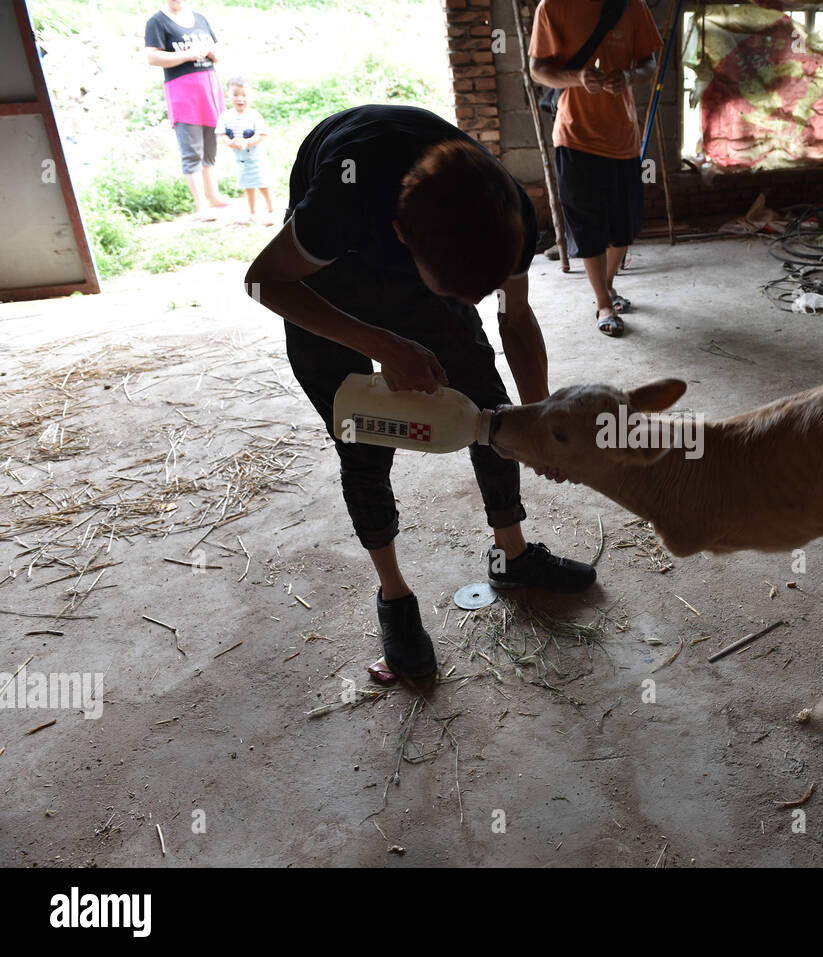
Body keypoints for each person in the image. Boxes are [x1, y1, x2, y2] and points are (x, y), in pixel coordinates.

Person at [244, 105, 596, 682]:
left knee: (491, 411)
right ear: (403, 237)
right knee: (361, 438)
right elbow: (263, 280)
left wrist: (539, 420)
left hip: (430, 250)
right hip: (319, 286)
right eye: (463, 296)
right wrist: (380, 342)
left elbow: (515, 315)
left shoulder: (505, 212)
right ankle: (396, 599)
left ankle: (513, 555)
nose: (476, 305)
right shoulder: (342, 200)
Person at [529, 0, 662, 337]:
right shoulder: (553, 8)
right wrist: (576, 77)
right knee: (588, 224)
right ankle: (603, 302)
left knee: (623, 225)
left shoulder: (632, 6)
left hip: (623, 138)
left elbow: (649, 62)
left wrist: (630, 76)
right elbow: (538, 68)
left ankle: (608, 285)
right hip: (575, 136)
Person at [144, 0, 228, 221]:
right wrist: (188, 55)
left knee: (210, 147)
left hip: (209, 87)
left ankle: (214, 196)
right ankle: (201, 206)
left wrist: (210, 51)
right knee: (192, 150)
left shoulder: (200, 18)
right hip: (183, 91)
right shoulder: (157, 21)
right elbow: (152, 56)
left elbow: (218, 53)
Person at [218, 77, 274, 224]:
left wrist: (247, 143)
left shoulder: (254, 115)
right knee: (248, 185)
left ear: (250, 96)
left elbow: (262, 134)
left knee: (263, 183)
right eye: (235, 95)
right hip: (240, 160)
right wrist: (231, 143)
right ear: (227, 95)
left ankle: (271, 210)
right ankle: (252, 213)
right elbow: (222, 134)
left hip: (256, 158)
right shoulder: (225, 116)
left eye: (244, 95)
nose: (240, 99)